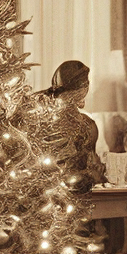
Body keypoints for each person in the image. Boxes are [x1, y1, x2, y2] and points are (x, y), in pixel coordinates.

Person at [43, 60, 107, 188]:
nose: (87, 86)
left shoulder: (88, 124)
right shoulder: (48, 123)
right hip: (55, 189)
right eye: (85, 83)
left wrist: (98, 167)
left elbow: (94, 165)